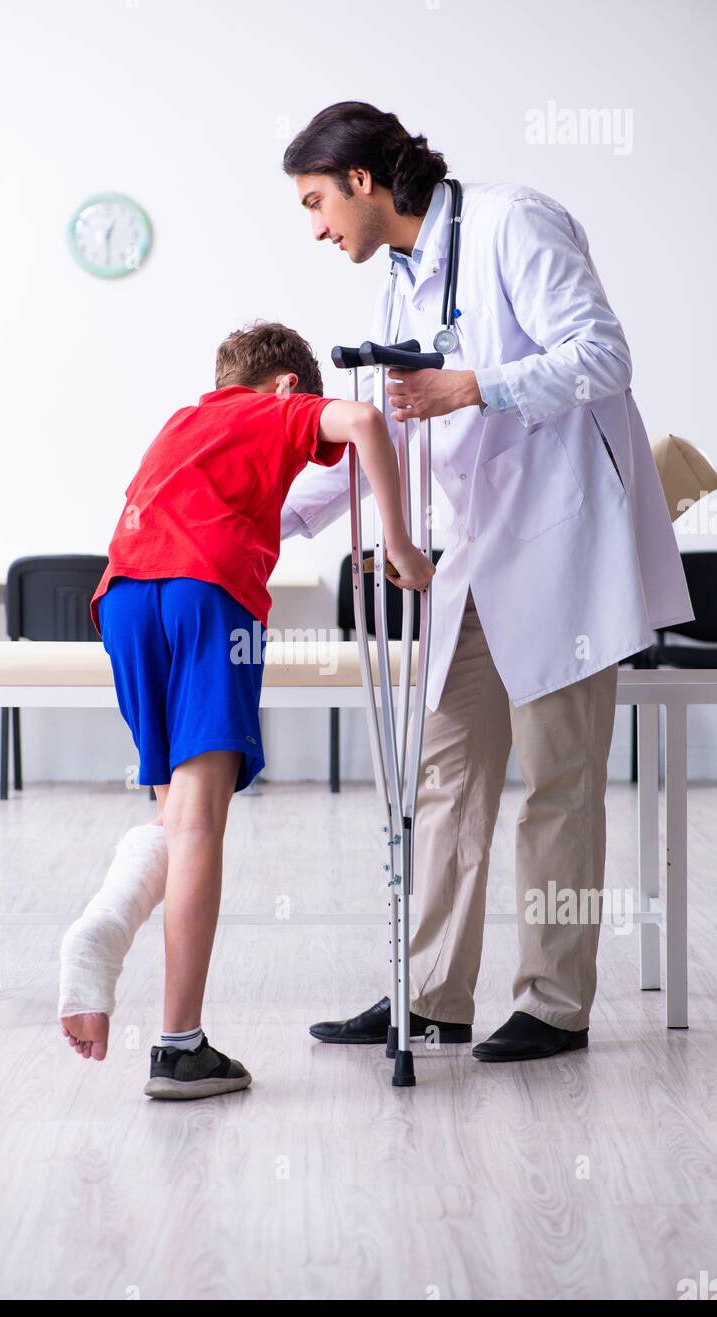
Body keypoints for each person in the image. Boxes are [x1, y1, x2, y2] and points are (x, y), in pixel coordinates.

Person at [280, 101, 693, 1062]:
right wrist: (273, 518)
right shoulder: (397, 285)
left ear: (362, 181)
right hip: (471, 557)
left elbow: (601, 356)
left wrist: (473, 383)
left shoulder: (514, 220)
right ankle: (428, 997)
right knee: (448, 775)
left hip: (562, 551)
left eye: (316, 204)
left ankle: (554, 1006)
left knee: (560, 782)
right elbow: (393, 430)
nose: (315, 229)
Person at [58, 319, 434, 1099]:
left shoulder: (185, 418)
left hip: (123, 594)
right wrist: (397, 548)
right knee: (200, 824)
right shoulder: (272, 407)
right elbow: (364, 422)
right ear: (289, 385)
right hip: (206, 591)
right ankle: (177, 1046)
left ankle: (103, 926)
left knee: (174, 818)